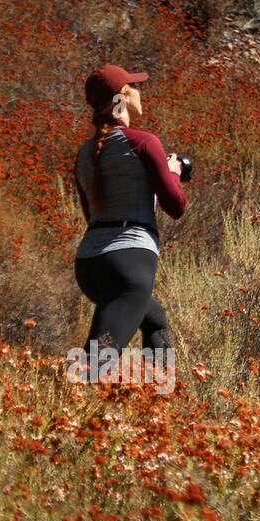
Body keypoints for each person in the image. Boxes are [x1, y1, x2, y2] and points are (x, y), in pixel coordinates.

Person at [72, 64, 187, 357]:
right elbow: (176, 206)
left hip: (89, 264)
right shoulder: (144, 142)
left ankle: (156, 400)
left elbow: (92, 215)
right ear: (123, 95)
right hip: (129, 261)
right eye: (136, 86)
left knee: (156, 322)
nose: (140, 91)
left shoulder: (84, 154)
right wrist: (173, 171)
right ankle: (61, 398)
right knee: (97, 359)